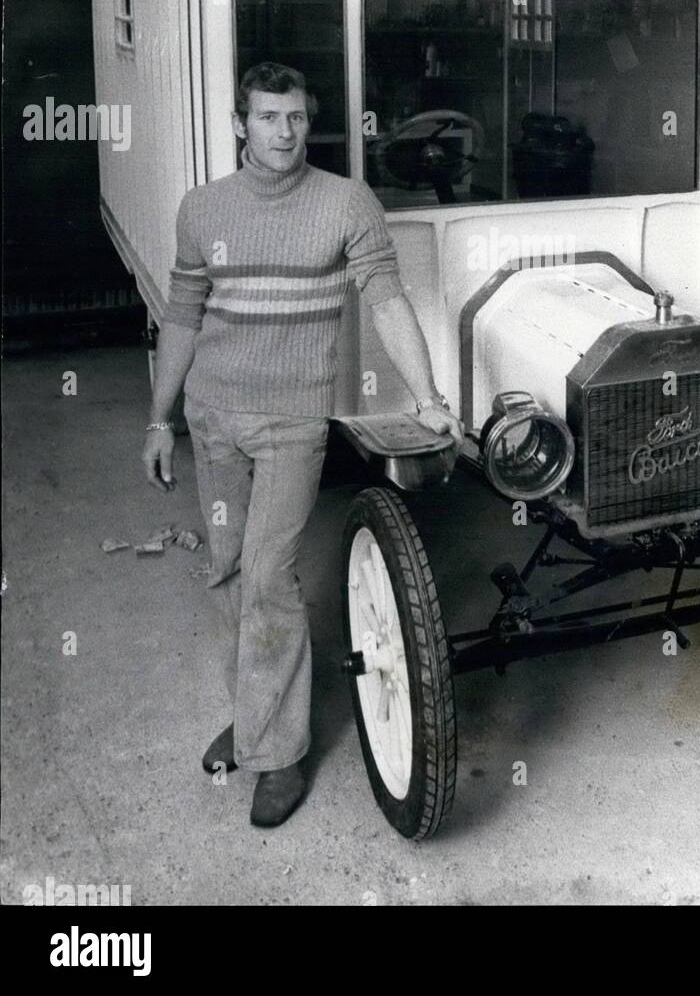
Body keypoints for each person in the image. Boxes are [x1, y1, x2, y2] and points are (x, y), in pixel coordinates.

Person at [141, 62, 463, 828]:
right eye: (267, 117)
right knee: (226, 568)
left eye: (294, 117)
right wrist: (161, 419)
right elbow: (183, 316)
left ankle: (279, 755)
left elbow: (385, 299)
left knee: (270, 577)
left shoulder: (346, 202)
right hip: (214, 419)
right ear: (240, 124)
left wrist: (427, 399)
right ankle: (257, 720)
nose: (283, 132)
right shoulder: (202, 209)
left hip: (292, 423)